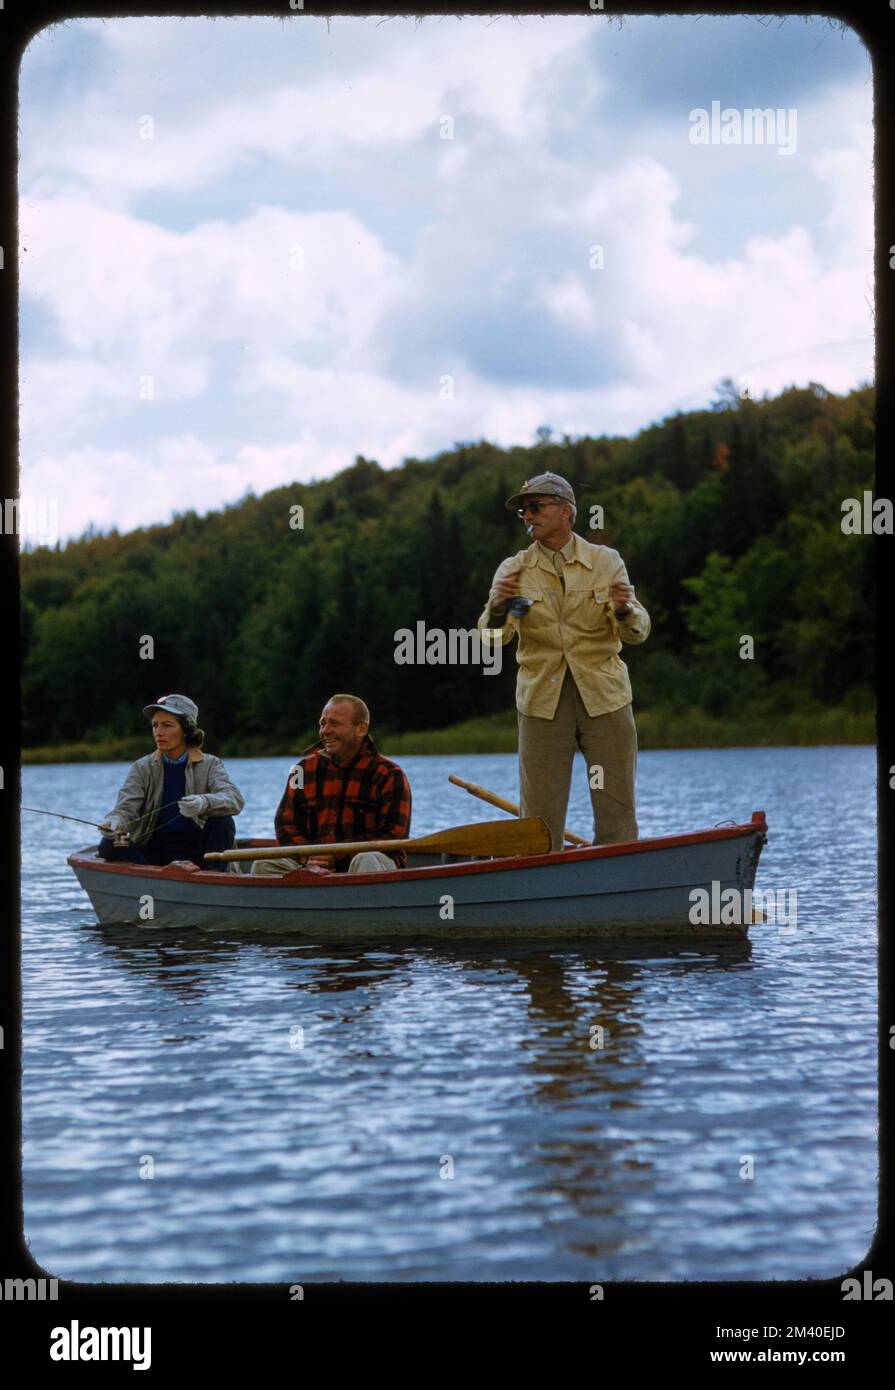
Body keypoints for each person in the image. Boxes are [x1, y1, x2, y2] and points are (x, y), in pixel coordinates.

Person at [477, 471, 650, 850]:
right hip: (542, 701)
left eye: (536, 507)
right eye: (523, 510)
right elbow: (491, 638)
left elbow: (638, 632)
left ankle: (618, 882)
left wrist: (622, 611)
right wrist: (496, 608)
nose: (528, 515)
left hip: (604, 697)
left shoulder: (606, 561)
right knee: (538, 817)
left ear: (566, 511)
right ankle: (540, 891)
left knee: (617, 807)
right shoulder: (512, 569)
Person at [250, 694, 411, 876]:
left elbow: (394, 837)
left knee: (367, 859)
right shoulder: (300, 770)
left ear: (361, 728)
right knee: (263, 865)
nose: (325, 731)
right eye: (322, 724)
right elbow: (285, 824)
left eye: (334, 724)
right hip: (311, 864)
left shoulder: (390, 773)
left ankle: (360, 903)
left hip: (365, 865)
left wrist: (337, 856)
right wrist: (308, 857)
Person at [97, 694, 244, 868]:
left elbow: (235, 799)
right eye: (155, 725)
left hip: (199, 852)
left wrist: (203, 802)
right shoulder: (142, 767)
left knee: (222, 821)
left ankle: (212, 879)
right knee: (108, 846)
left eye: (167, 725)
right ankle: (155, 877)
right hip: (154, 850)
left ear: (186, 729)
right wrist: (114, 821)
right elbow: (126, 808)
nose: (158, 732)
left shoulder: (210, 764)